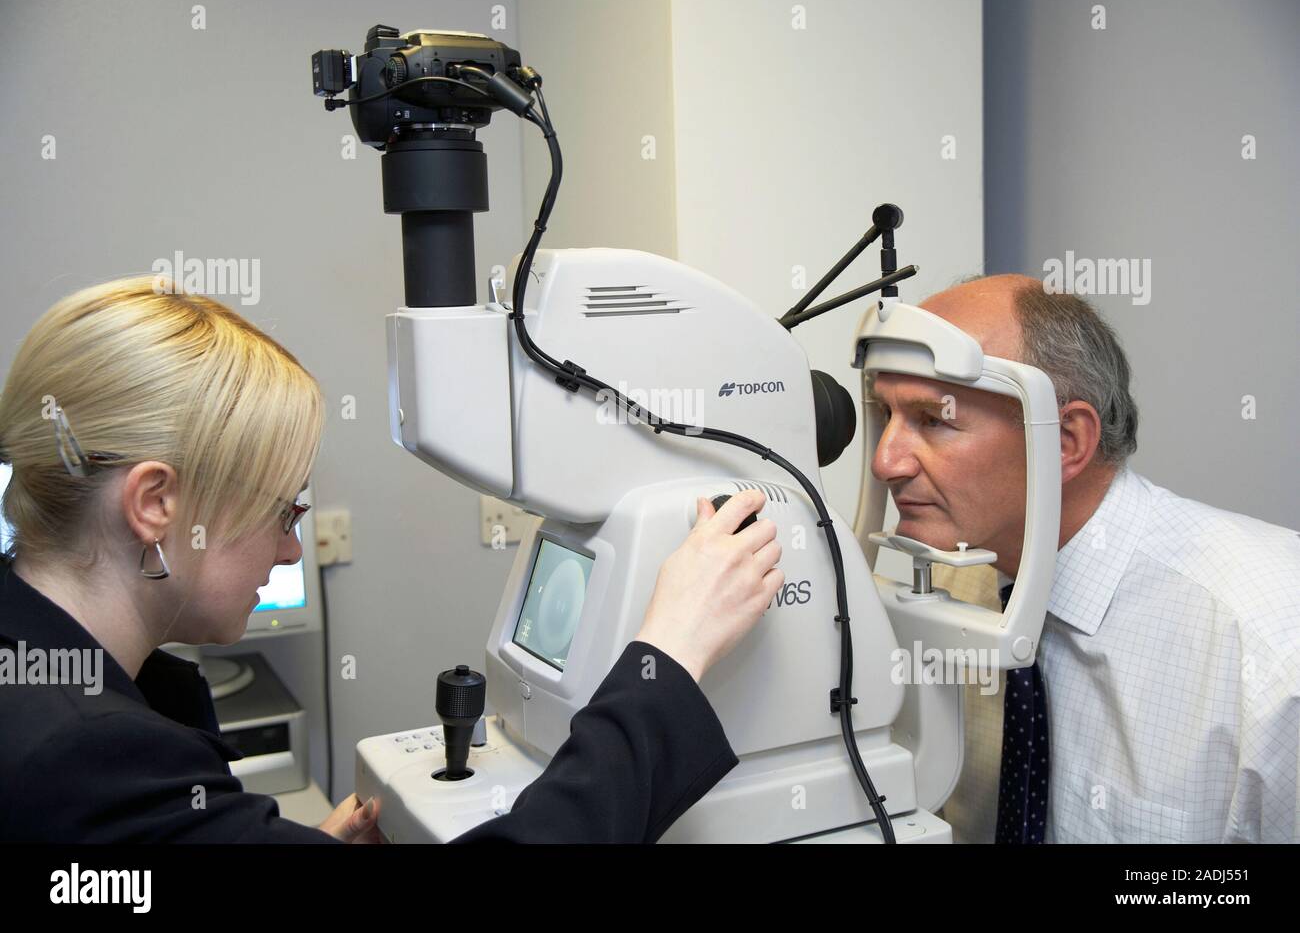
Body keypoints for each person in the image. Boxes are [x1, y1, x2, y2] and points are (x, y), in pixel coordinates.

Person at [0, 275, 783, 843]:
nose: (287, 546)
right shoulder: (83, 757)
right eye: (281, 511)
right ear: (153, 504)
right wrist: (670, 655)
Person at [868, 273, 1299, 843]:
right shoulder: (949, 595)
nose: (886, 461)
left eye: (932, 420)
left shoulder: (1267, 641)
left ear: (1065, 440)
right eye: (886, 416)